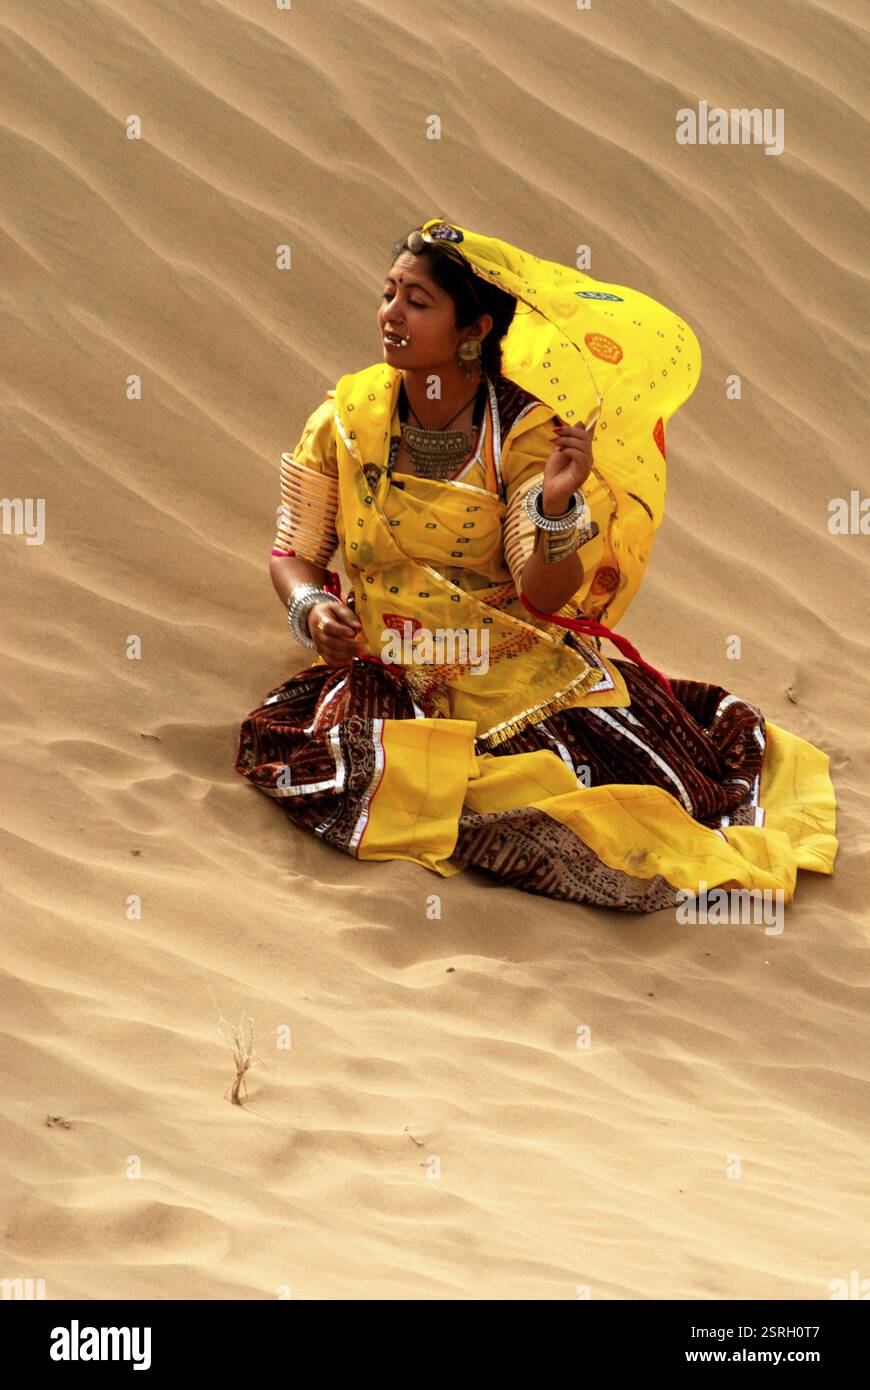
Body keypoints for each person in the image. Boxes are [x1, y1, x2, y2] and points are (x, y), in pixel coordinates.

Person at [234, 218, 837, 911]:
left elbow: (544, 590)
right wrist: (310, 608)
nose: (391, 316)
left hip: (511, 670)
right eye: (388, 294)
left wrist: (554, 504)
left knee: (631, 806)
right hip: (387, 664)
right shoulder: (346, 417)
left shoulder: (523, 434)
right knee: (319, 765)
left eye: (417, 302)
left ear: (474, 330)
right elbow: (295, 553)